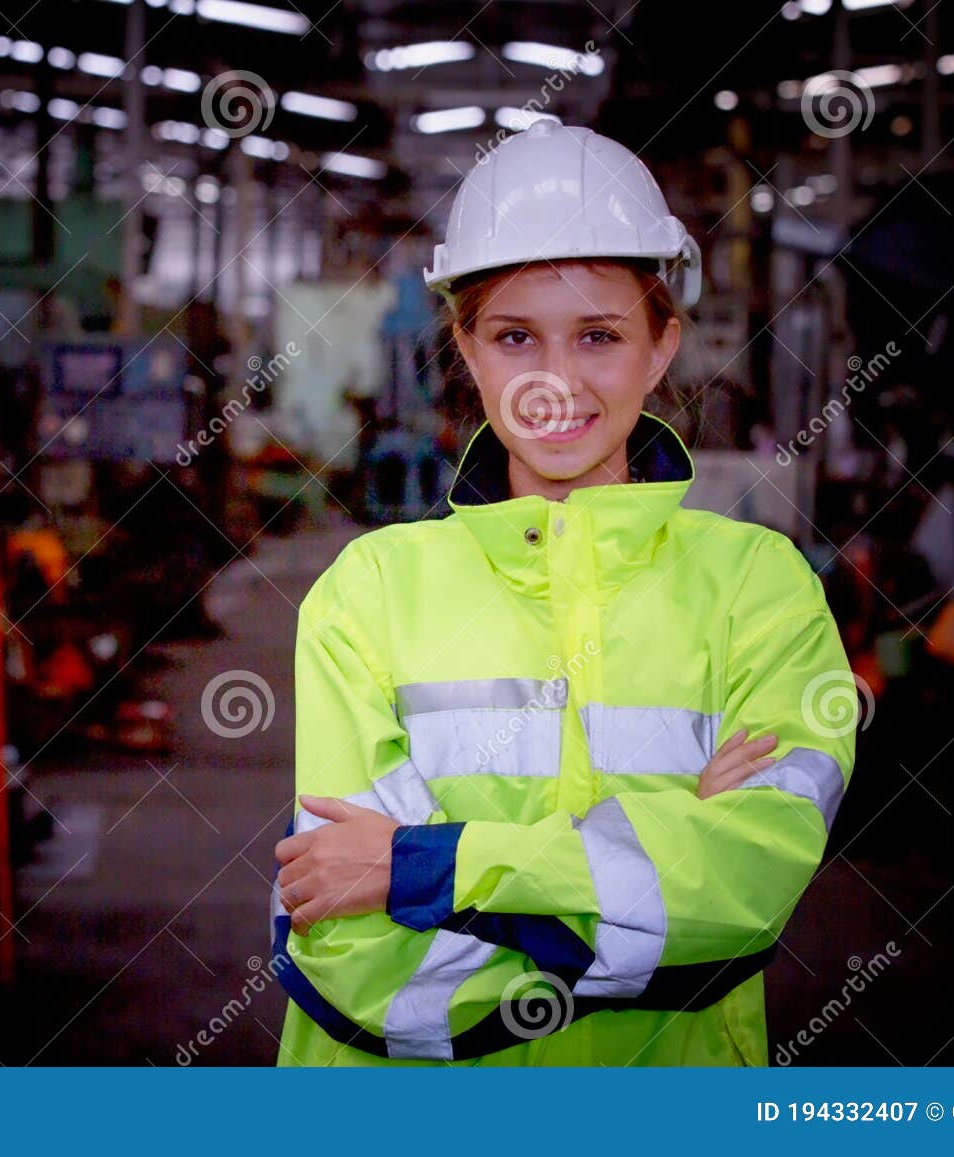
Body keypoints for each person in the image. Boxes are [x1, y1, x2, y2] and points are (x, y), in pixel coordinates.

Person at [269, 122, 856, 1066]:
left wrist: (425, 866)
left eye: (599, 336)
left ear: (661, 347)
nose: (555, 382)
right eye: (515, 337)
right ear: (466, 349)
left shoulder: (758, 590)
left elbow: (750, 890)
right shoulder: (366, 595)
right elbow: (358, 958)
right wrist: (660, 879)